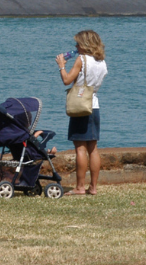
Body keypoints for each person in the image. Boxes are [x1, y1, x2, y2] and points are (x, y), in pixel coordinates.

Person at [56, 29, 107, 196]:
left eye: (78, 43)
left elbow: (67, 80)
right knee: (93, 148)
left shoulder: (81, 59)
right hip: (94, 105)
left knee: (80, 148)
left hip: (81, 106)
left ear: (85, 45)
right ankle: (93, 187)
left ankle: (79, 187)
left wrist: (62, 66)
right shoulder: (101, 62)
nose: (76, 46)